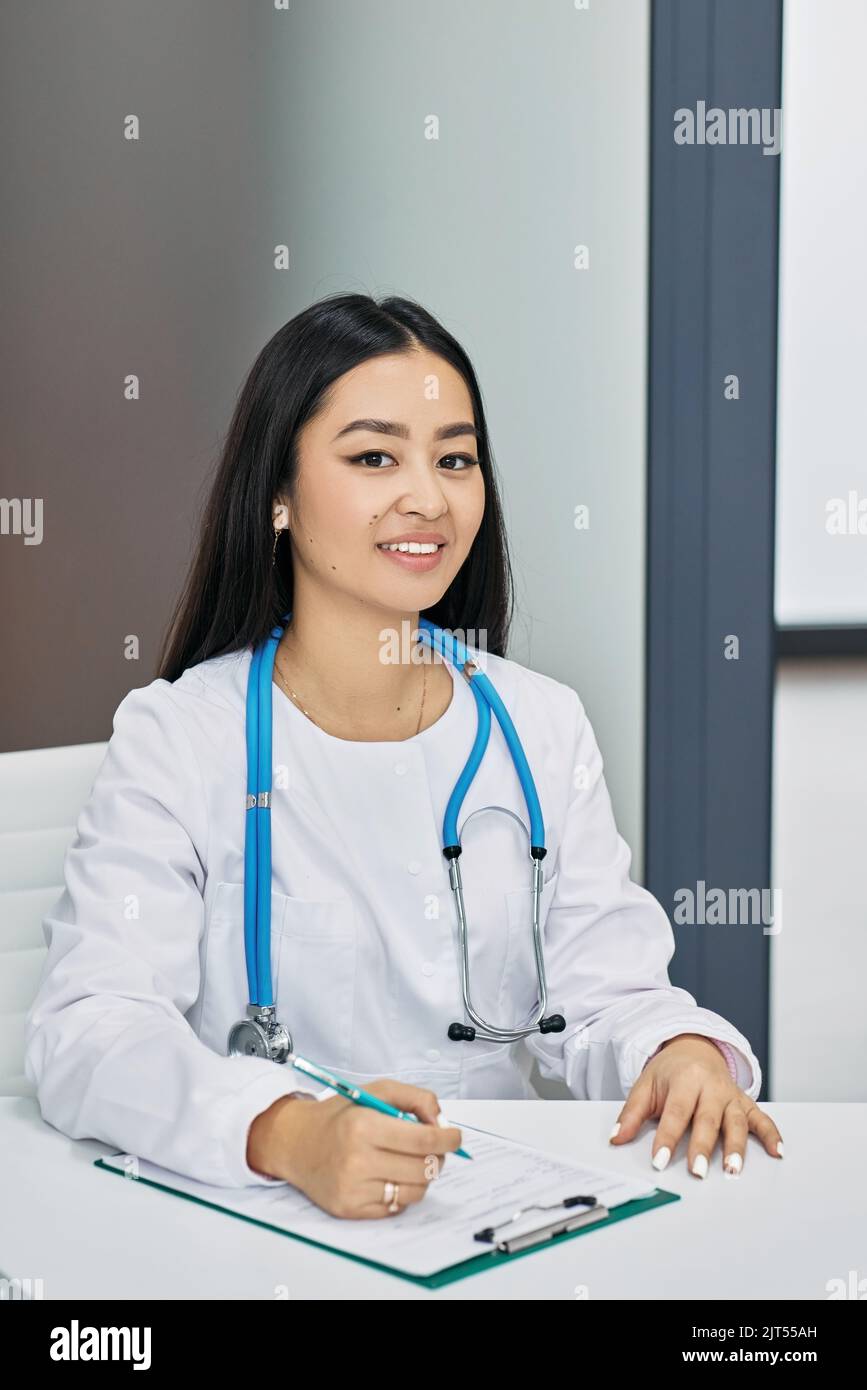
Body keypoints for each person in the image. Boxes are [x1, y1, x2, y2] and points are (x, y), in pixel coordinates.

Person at [24, 293, 782, 1220]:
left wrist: (677, 1052)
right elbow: (91, 1030)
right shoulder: (183, 737)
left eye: (454, 459)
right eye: (374, 456)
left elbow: (606, 995)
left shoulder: (538, 725)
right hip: (261, 1221)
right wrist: (285, 1130)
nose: (427, 496)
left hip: (492, 1220)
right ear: (277, 494)